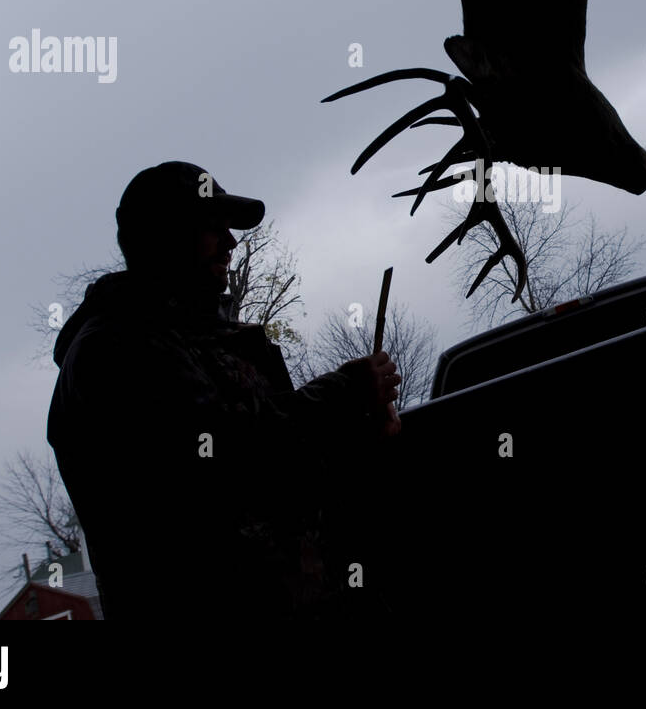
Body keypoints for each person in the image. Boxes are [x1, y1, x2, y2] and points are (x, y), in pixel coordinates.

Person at [46, 161, 401, 621]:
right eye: (214, 228)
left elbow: (293, 473)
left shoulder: (206, 340)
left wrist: (362, 430)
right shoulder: (113, 349)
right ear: (166, 236)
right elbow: (227, 457)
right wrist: (345, 395)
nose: (232, 244)